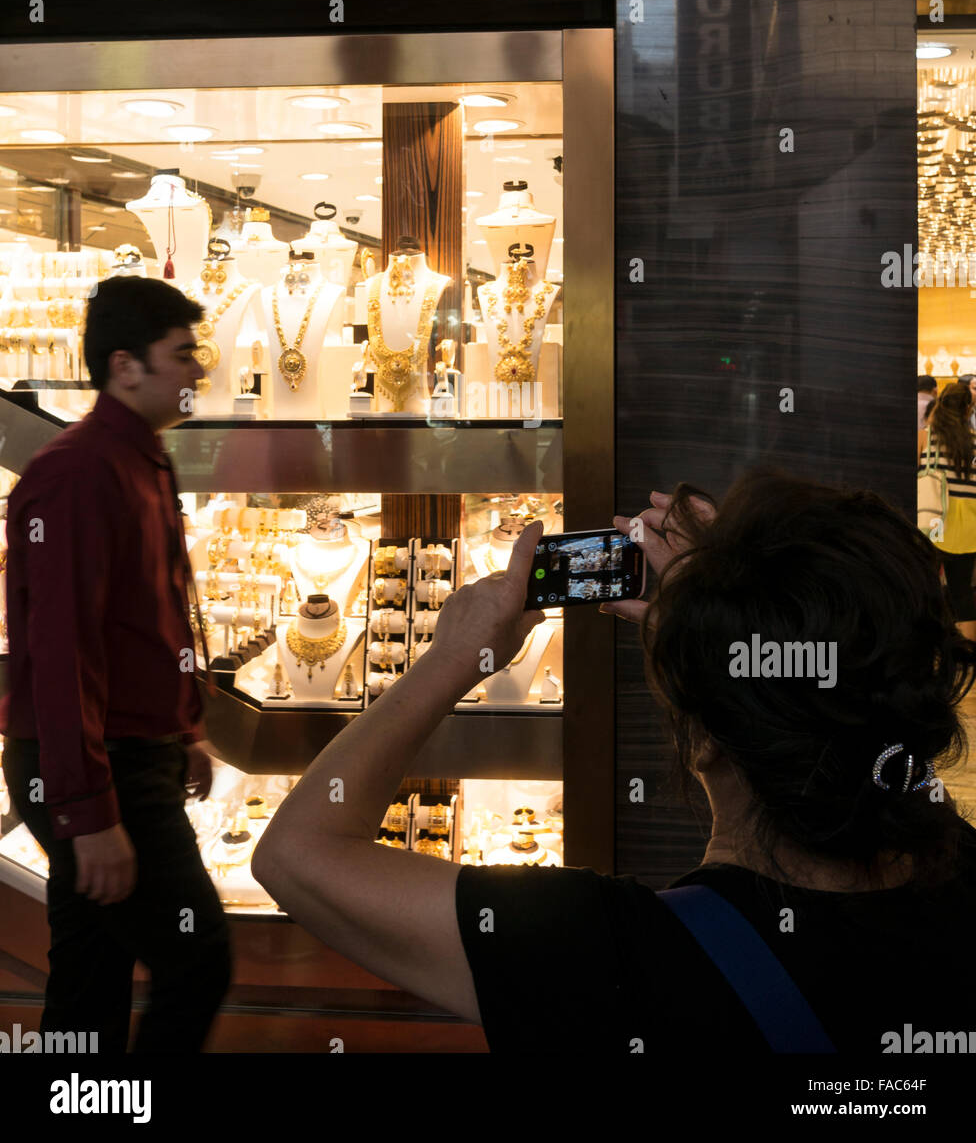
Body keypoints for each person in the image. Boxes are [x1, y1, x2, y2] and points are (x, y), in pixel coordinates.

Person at [251, 470, 976, 1054]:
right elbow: (869, 719)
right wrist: (723, 641)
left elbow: (294, 853)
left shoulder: (619, 961)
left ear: (702, 740)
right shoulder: (959, 871)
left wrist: (452, 655)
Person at [0, 276, 232, 1053]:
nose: (198, 370)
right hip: (97, 769)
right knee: (196, 957)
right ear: (127, 366)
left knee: (91, 974)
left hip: (133, 753)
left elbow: (154, 613)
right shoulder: (77, 473)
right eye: (184, 354)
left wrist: (185, 727)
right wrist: (86, 812)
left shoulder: (142, 457)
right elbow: (60, 653)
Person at [919, 381, 976, 642]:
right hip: (969, 527)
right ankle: (967, 656)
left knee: (925, 588)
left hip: (934, 523)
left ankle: (928, 649)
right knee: (962, 592)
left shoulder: (926, 437)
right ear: (968, 408)